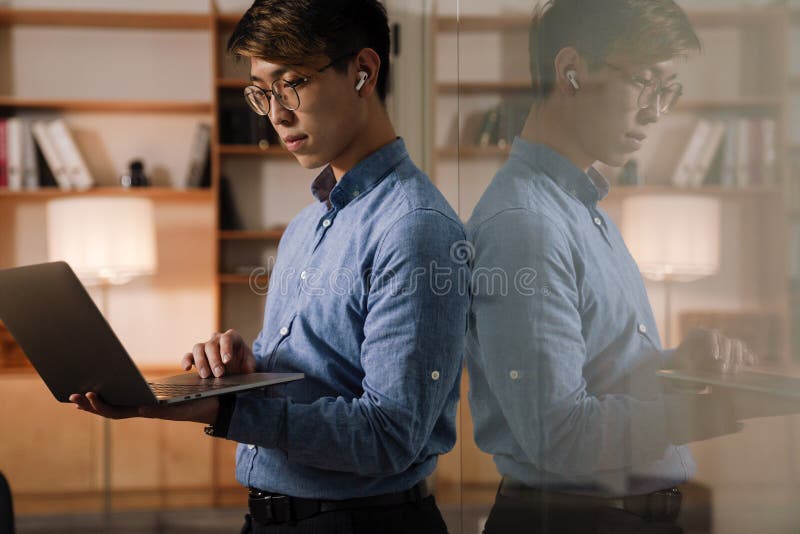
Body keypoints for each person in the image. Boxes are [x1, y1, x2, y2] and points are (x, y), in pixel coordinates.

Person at [70, 1, 469, 532]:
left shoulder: (415, 229)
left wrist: (226, 411)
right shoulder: (306, 225)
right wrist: (248, 373)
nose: (276, 114)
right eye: (262, 93)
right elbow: (327, 376)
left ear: (363, 72)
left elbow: (389, 436)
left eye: (292, 84)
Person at [465, 1, 755, 532]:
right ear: (571, 70)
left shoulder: (579, 209)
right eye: (646, 82)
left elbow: (595, 373)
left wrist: (673, 368)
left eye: (669, 92)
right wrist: (704, 412)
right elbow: (558, 432)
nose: (656, 111)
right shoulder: (525, 226)